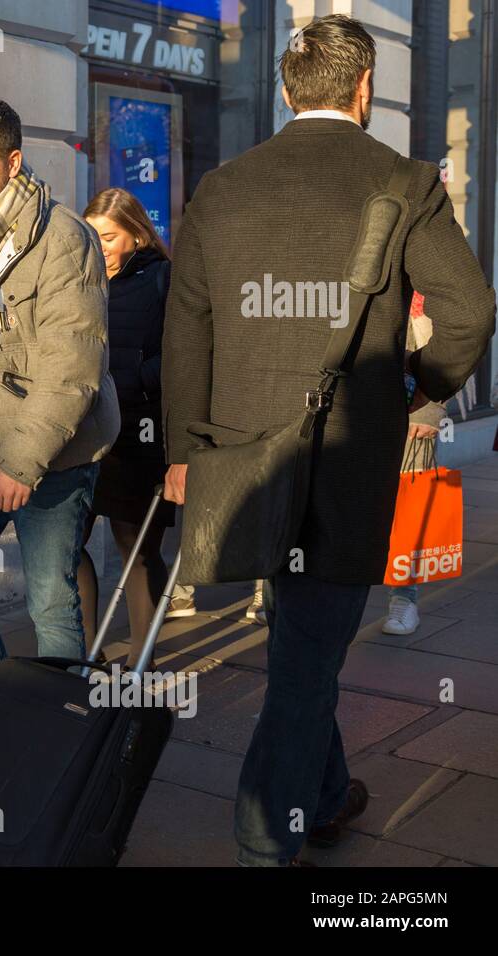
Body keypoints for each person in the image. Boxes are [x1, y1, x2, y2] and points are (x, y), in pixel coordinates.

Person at [161, 14, 495, 866]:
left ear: (284, 90)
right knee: (308, 653)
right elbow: (471, 312)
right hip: (347, 460)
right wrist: (420, 389)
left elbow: (186, 330)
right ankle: (265, 834)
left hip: (238, 458)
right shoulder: (404, 181)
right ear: (365, 88)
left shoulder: (221, 186)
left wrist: (179, 450)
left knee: (300, 642)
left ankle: (327, 792)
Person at [0, 98, 120, 690]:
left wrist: (23, 463)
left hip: (53, 453)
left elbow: (70, 366)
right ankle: (5, 714)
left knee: (51, 604)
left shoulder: (64, 239)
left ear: (12, 163)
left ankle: (64, 729)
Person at [77, 188, 173, 666]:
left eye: (109, 236)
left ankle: (142, 657)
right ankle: (84, 653)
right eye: (91, 235)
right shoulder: (76, 278)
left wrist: (123, 379)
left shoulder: (164, 279)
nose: (99, 246)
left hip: (140, 434)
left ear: (137, 234)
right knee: (66, 543)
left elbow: (182, 358)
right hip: (79, 431)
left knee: (135, 546)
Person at [383, 291, 447, 636]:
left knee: (410, 505)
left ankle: (404, 600)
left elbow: (453, 337)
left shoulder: (428, 255)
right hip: (355, 407)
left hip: (413, 408)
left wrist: (430, 407)